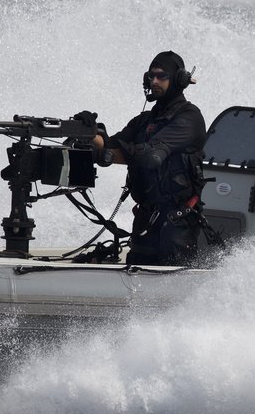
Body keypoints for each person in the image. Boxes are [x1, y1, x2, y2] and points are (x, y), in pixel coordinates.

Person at [76, 50, 207, 266]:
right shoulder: (144, 120)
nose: (154, 81)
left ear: (178, 80)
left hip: (176, 228)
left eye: (161, 76)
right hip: (145, 222)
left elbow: (151, 157)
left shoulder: (190, 118)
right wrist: (90, 134)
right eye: (151, 76)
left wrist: (108, 153)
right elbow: (111, 146)